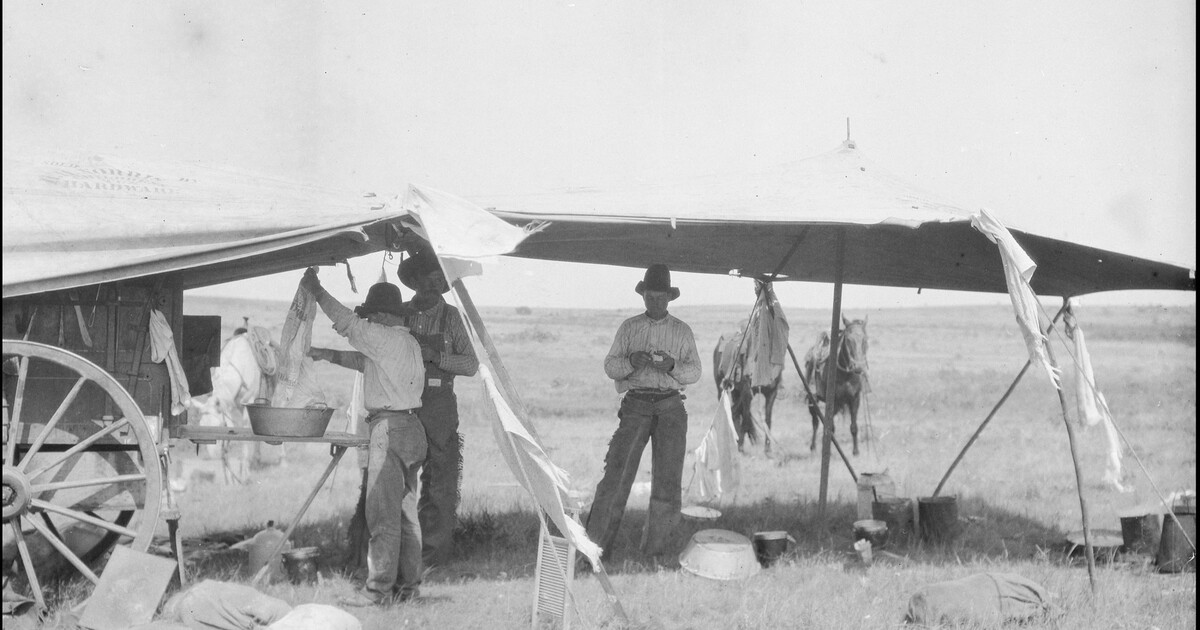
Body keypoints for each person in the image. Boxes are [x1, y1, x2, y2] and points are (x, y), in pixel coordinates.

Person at [300, 269, 427, 605]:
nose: (367, 321)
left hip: (391, 431)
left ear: (383, 317)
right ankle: (408, 588)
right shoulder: (405, 342)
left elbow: (346, 323)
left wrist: (317, 291)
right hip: (413, 430)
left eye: (371, 316)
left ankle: (377, 593)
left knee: (382, 517)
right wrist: (326, 354)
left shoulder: (382, 338)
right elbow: (364, 362)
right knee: (407, 517)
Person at [585, 264, 702, 562]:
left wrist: (672, 366)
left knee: (667, 481)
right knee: (616, 477)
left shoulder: (682, 331)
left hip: (671, 407)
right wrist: (632, 362)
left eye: (661, 297)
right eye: (650, 297)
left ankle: (656, 554)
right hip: (635, 404)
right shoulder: (629, 328)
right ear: (644, 296)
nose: (655, 302)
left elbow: (695, 372)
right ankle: (594, 550)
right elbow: (610, 366)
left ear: (669, 298)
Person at [395, 250, 479, 569]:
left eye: (438, 280)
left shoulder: (453, 317)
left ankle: (434, 556)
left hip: (439, 405)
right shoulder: (399, 314)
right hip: (401, 403)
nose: (433, 285)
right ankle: (398, 552)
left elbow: (471, 364)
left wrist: (436, 357)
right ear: (414, 281)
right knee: (397, 479)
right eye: (426, 279)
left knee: (440, 481)